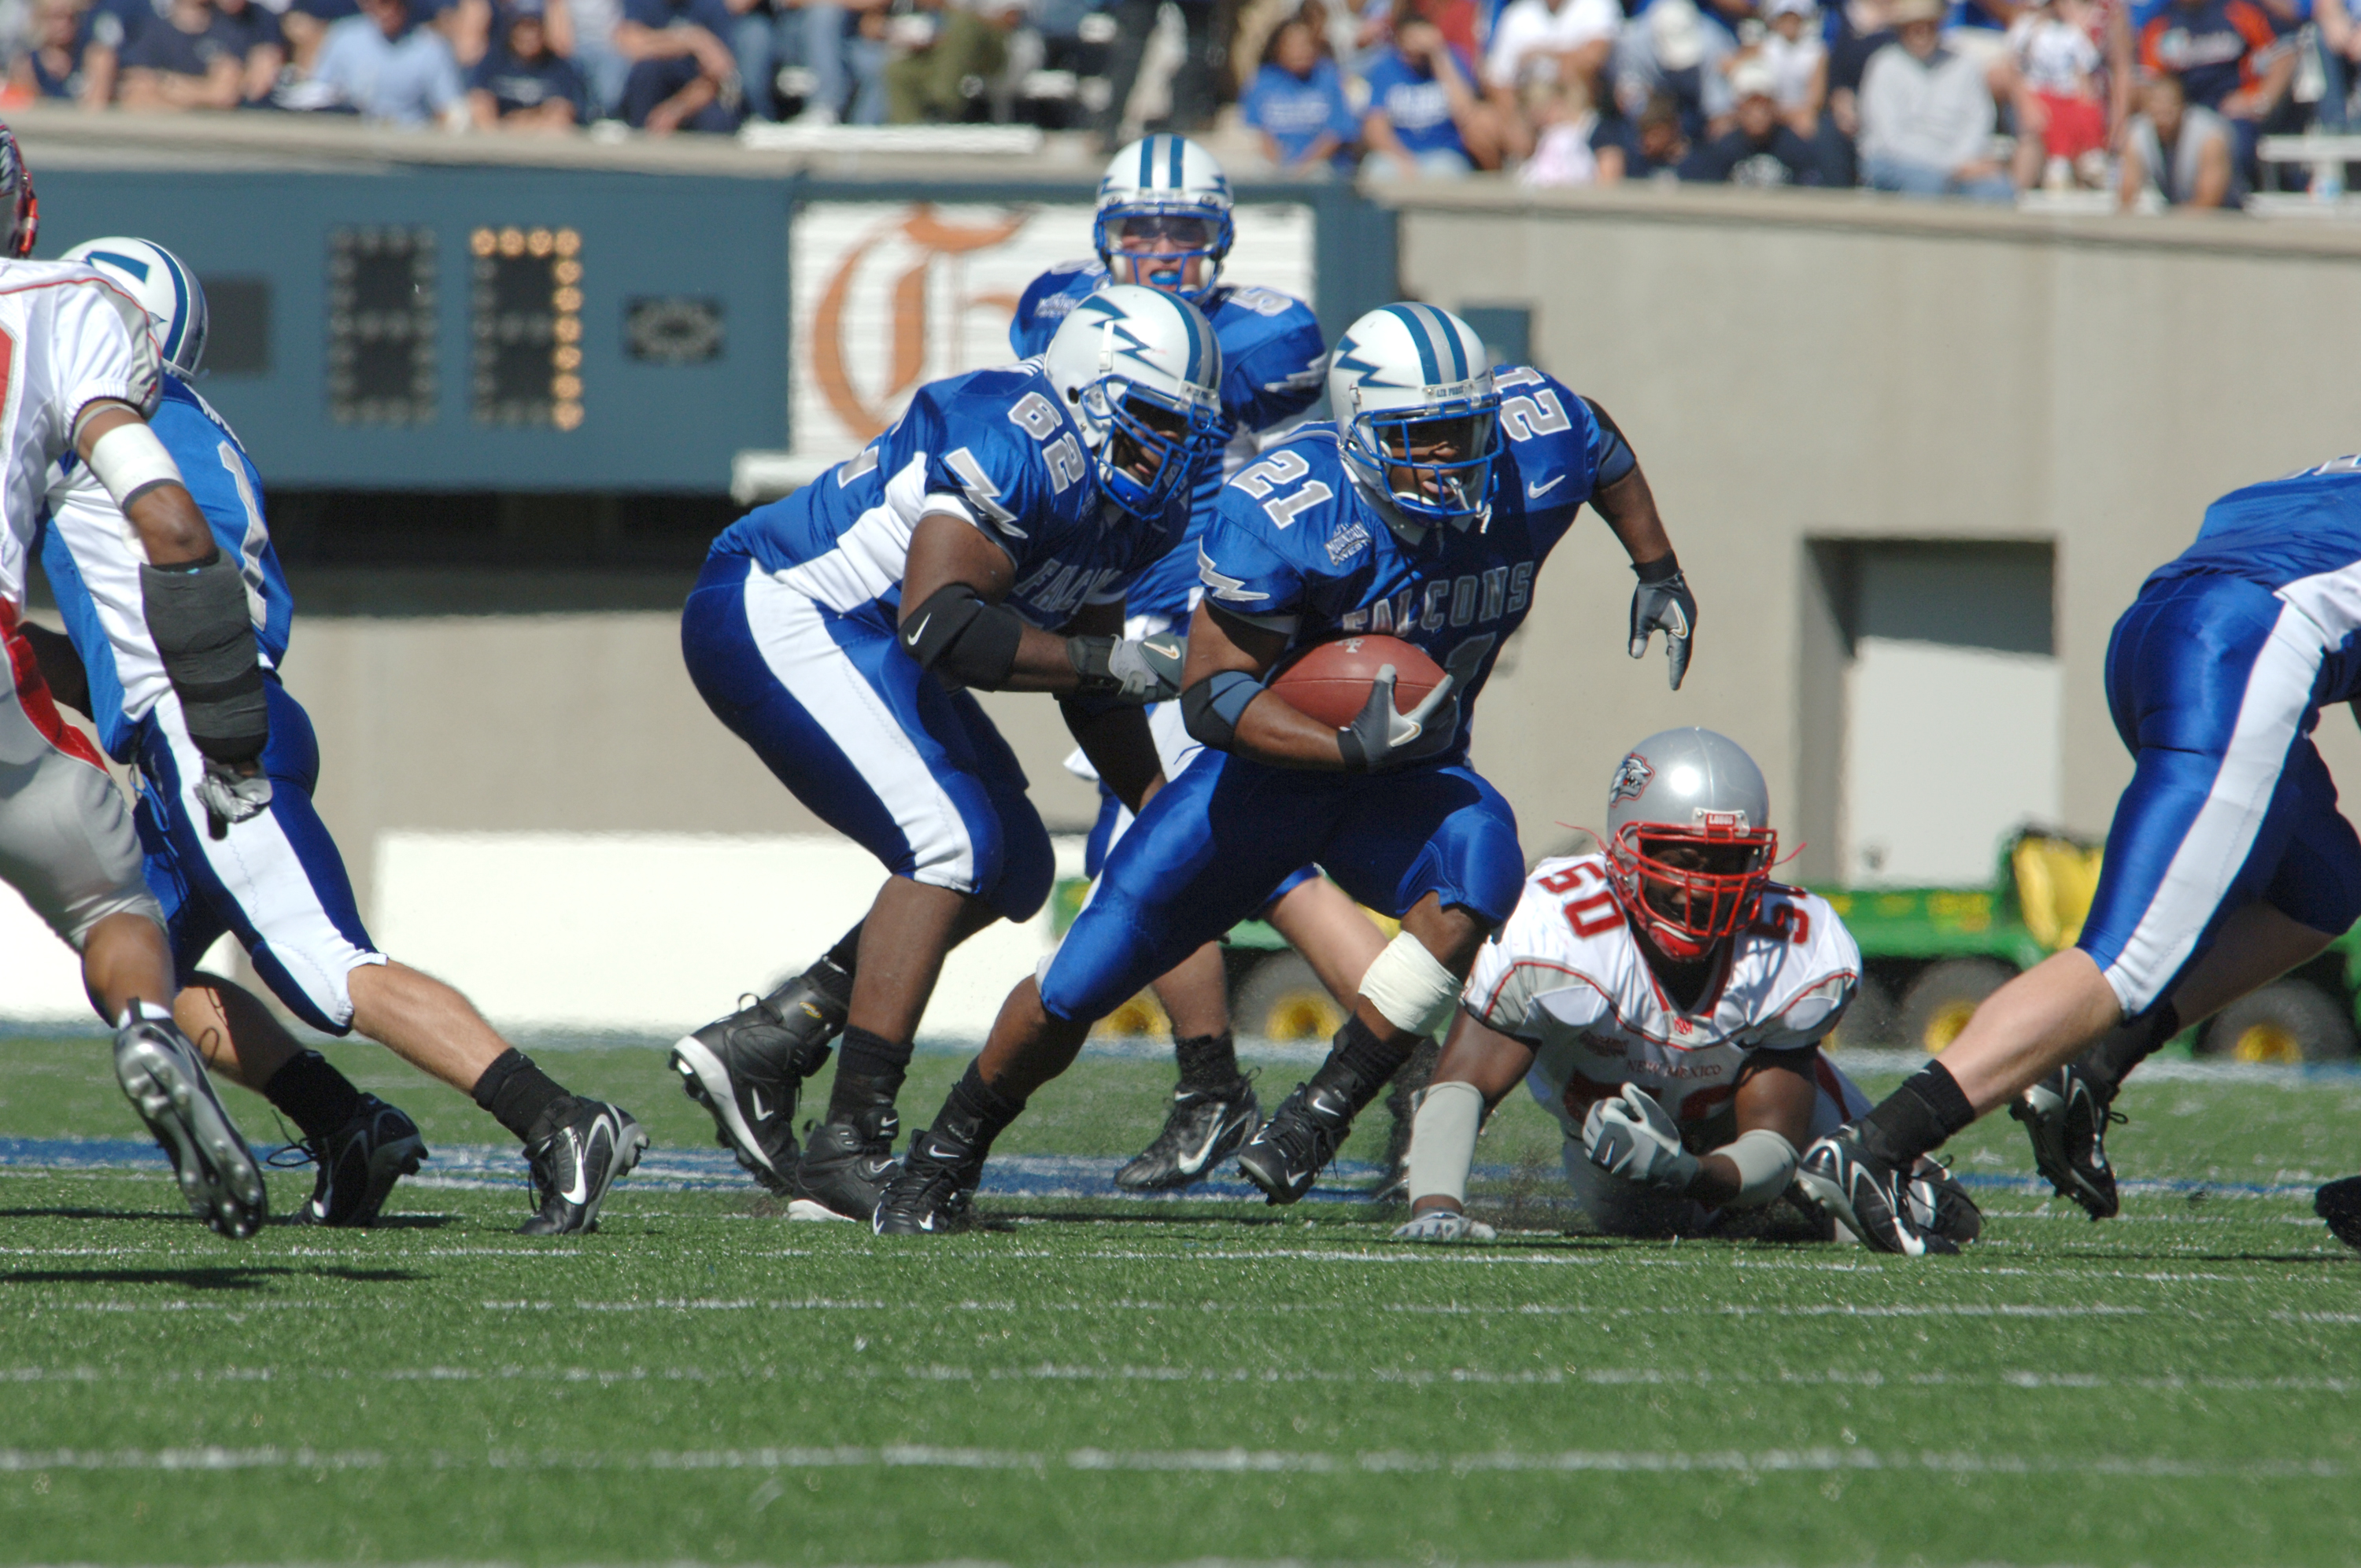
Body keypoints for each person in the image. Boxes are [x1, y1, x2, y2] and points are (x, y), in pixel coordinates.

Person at [870, 302, 1701, 1235]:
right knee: (1078, 984)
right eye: (1422, 439)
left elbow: (1600, 443)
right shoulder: (1291, 504)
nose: (1455, 459)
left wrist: (1656, 565)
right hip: (1263, 783)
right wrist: (1342, 745)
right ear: (1359, 435)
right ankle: (943, 1156)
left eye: (1466, 431)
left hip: (1405, 782)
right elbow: (1211, 696)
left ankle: (1325, 1110)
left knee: (1484, 860)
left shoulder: (1529, 446)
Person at [35, 238, 649, 1234]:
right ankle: (346, 1124)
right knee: (139, 963)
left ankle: (558, 1120)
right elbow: (101, 652)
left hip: (208, 726)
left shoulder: (95, 422)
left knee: (326, 964)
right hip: (216, 716)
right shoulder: (184, 430)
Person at [671, 284, 1221, 1222]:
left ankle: (774, 1036)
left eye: (1184, 432)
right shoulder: (1017, 433)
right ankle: (849, 1144)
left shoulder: (1137, 507)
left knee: (1017, 863)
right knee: (954, 845)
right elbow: (941, 624)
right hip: (780, 605)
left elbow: (1092, 673)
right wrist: (1117, 659)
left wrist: (1155, 800)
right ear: (1087, 395)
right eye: (1149, 423)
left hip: (867, 639)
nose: (1167, 452)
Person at [1798, 452, 2361, 1256]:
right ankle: (1876, 1147)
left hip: (2159, 629)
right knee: (2125, 962)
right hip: (2243, 646)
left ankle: (2090, 1065)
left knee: (2327, 886)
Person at [999, 137, 1390, 1193]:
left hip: (1205, 620)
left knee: (1157, 859)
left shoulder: (1262, 336)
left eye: (1186, 232)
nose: (1164, 252)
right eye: (1142, 229)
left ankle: (1226, 1083)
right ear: (1103, 232)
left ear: (1220, 237)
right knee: (1230, 860)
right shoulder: (1058, 314)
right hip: (1129, 615)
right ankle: (1390, 1062)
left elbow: (1318, 474)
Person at [0, 132, 286, 1240]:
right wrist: (227, 735)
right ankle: (152, 1028)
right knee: (116, 902)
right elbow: (168, 524)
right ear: (24, 218)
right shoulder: (63, 303)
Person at [1390, 729, 1981, 1245]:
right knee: (1651, 1222)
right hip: (1610, 1158)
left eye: (1726, 863)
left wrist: (1687, 1170)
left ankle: (1833, 1181)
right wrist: (1437, 1207)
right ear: (1624, 851)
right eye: (1683, 859)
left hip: (1744, 1124)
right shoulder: (1556, 932)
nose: (1701, 887)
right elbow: (1463, 1080)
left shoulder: (1792, 949)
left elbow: (1772, 1143)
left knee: (1918, 1215)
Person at [1857, 0, 2017, 199]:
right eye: (1915, 25)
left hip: (1960, 164)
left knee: (2000, 190)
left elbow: (1979, 120)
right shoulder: (1884, 65)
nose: (1922, 31)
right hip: (1897, 163)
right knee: (1928, 184)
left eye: (1929, 24)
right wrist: (1951, 166)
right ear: (1902, 28)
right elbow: (1889, 140)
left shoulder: (1964, 64)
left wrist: (1963, 162)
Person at [2137, 0, 2289, 180]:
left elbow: (2284, 54)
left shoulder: (2238, 10)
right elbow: (2150, 82)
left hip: (2231, 114)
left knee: (2234, 148)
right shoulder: (2161, 22)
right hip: (2183, 117)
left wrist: (2259, 100)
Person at [1360, 0, 1506, 177]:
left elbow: (1466, 114)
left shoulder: (1452, 59)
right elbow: (1375, 127)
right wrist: (1403, 159)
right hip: (1399, 154)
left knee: (1442, 173)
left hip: (1443, 154)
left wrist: (1438, 55)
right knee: (1377, 171)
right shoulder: (1385, 66)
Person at [309, 0, 466, 121]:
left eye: (394, 4)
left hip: (408, 145)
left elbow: (451, 109)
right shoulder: (344, 35)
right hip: (351, 140)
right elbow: (319, 91)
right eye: (382, 3)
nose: (388, 12)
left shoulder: (431, 47)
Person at [2007, 0, 2108, 188]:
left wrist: (2085, 97)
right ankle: (2058, 164)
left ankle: (2087, 160)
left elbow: (2084, 68)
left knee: (2083, 111)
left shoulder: (2072, 32)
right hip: (2038, 92)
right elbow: (2014, 64)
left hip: (2067, 93)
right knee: (2048, 116)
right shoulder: (2026, 27)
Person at [1240, 17, 1361, 173]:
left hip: (1321, 165)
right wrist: (1279, 166)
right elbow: (1257, 130)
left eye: (1306, 45)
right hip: (1277, 164)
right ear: (1278, 48)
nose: (1301, 51)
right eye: (1292, 46)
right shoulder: (1264, 80)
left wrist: (1304, 167)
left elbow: (1336, 133)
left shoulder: (1328, 77)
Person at [1679, 53, 1823, 179]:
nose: (1757, 114)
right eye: (1750, 105)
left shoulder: (1794, 147)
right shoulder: (1724, 149)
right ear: (1738, 108)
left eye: (1763, 105)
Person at [614, 0, 741, 131]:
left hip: (693, 96)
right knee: (646, 71)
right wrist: (691, 39)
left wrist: (676, 110)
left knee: (717, 119)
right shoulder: (642, 3)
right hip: (651, 92)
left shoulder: (711, 6)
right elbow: (631, 46)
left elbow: (719, 72)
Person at [2118, 67, 2234, 205]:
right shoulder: (2138, 134)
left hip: (2225, 218)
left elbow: (2208, 202)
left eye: (2168, 109)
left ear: (2182, 107)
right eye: (2156, 108)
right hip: (2173, 215)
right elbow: (2127, 198)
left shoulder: (2209, 137)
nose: (2162, 117)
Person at [468, 0, 587, 124]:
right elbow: (479, 103)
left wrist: (524, 122)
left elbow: (562, 113)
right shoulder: (493, 60)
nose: (528, 36)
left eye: (534, 28)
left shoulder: (559, 66)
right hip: (500, 134)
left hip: (541, 138)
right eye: (523, 27)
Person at [116, 0, 245, 109]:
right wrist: (203, 93)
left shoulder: (227, 30)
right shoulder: (153, 32)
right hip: (166, 130)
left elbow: (224, 95)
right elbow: (136, 94)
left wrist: (167, 84)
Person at [11, 0, 104, 102]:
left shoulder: (93, 59)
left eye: (72, 17)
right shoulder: (27, 67)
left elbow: (95, 108)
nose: (65, 24)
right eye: (57, 17)